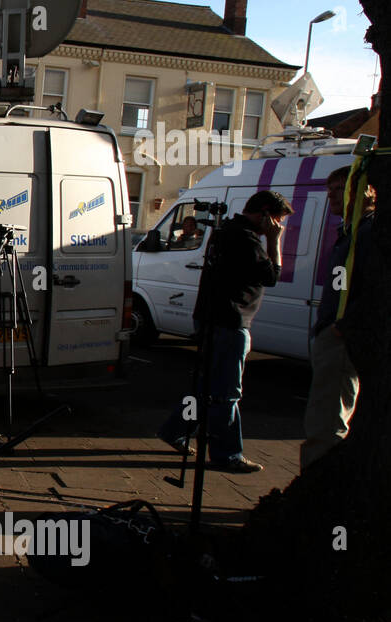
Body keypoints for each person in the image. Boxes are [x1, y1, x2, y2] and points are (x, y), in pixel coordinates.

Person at [159, 189, 294, 473]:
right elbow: (272, 276)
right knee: (227, 392)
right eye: (278, 221)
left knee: (206, 386)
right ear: (266, 214)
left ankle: (175, 429)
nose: (280, 227)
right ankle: (226, 453)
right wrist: (274, 240)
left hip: (211, 317)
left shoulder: (225, 232)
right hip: (229, 322)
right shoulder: (246, 239)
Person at [301, 166, 376, 468]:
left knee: (327, 423)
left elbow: (374, 289)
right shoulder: (350, 232)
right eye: (329, 188)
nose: (331, 194)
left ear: (367, 191)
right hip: (332, 333)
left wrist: (342, 327)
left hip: (341, 340)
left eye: (339, 188)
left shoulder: (368, 234)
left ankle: (317, 494)